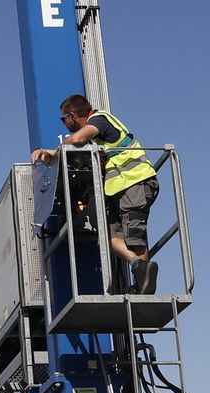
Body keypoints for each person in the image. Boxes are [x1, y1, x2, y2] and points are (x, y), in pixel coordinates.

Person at [30, 94, 161, 294]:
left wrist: (54, 153)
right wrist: (49, 155)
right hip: (120, 189)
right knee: (110, 236)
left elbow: (76, 139)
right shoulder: (98, 137)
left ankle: (145, 290)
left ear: (72, 115)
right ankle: (138, 266)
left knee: (134, 237)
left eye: (63, 119)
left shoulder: (99, 119)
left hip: (135, 181)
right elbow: (77, 150)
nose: (64, 124)